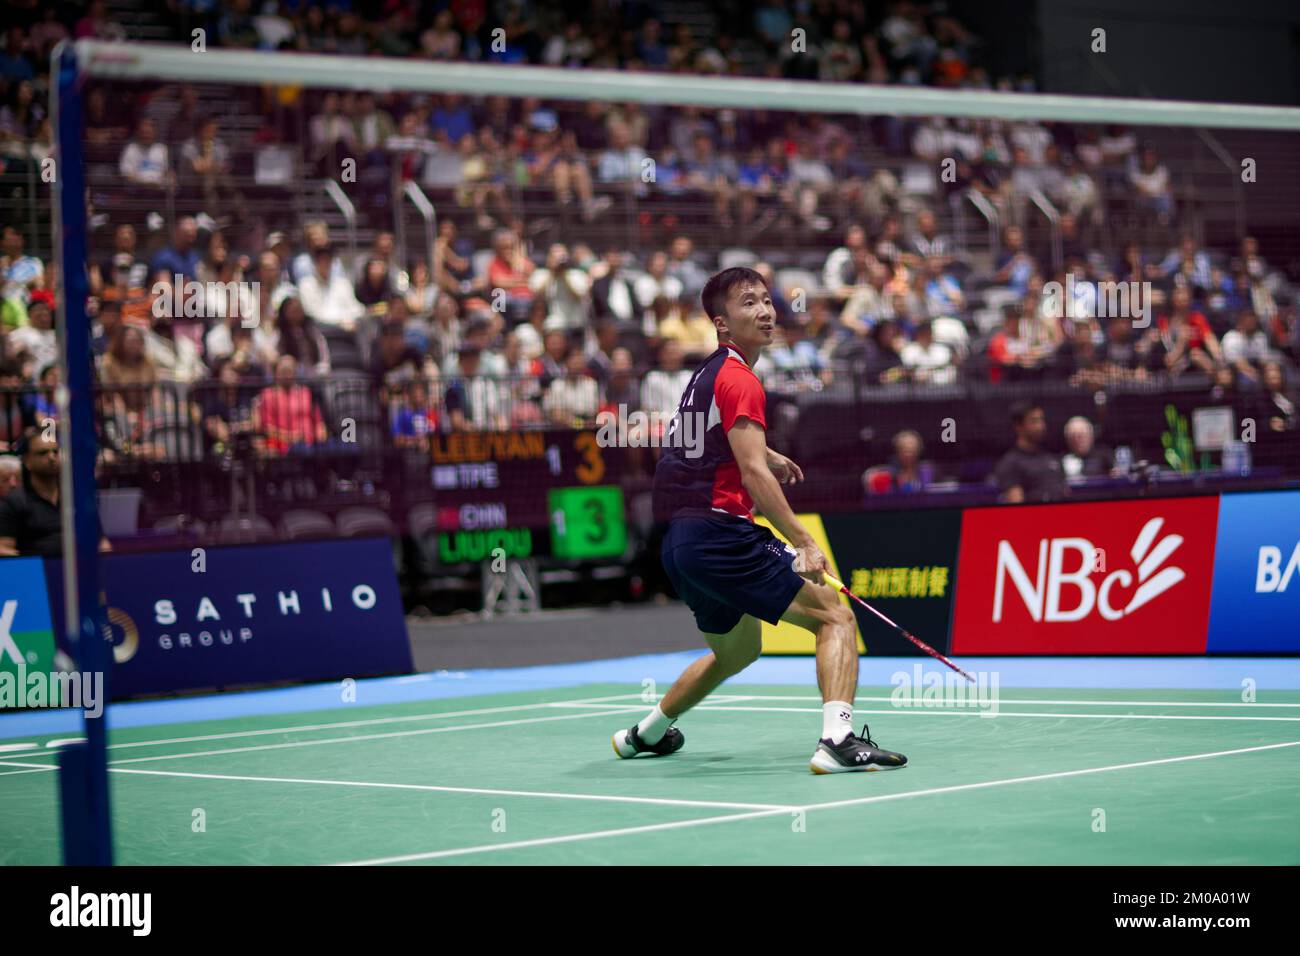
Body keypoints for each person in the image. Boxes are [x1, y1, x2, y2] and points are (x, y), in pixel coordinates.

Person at [611, 267, 907, 774]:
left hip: (681, 545)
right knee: (835, 616)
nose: (766, 311)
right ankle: (836, 741)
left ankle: (646, 733)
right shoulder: (741, 378)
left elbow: (708, 444)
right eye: (749, 303)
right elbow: (750, 475)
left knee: (739, 652)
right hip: (722, 532)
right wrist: (804, 541)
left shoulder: (706, 374)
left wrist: (763, 450)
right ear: (723, 323)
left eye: (767, 300)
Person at [0, 430, 111, 556]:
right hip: (37, 572)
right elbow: (3, 549)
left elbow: (101, 541)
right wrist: (32, 566)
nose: (52, 457)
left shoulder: (78, 498)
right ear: (26, 461)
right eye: (43, 453)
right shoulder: (13, 502)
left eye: (55, 452)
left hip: (82, 570)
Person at [994, 401, 1067, 503]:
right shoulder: (1010, 464)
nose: (1041, 426)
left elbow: (1065, 492)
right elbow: (1016, 506)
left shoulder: (1051, 458)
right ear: (1018, 426)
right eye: (1034, 421)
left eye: (1042, 420)